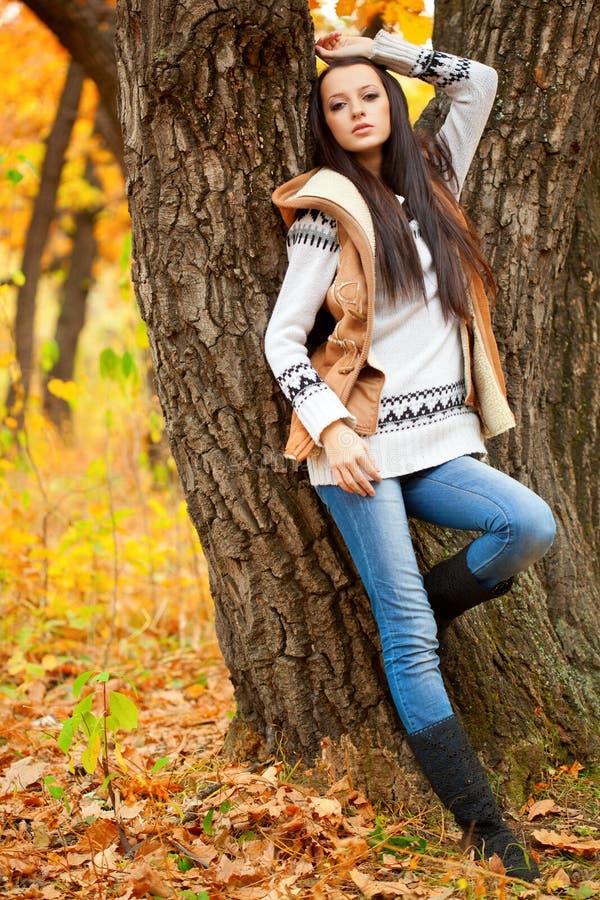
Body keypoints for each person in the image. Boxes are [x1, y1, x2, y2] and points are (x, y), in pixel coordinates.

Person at [264, 27, 556, 881]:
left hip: (438, 440)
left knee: (528, 524)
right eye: (336, 102)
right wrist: (333, 425)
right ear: (323, 123)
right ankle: (486, 826)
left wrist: (374, 46)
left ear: (390, 100)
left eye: (367, 95)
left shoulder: (435, 175)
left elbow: (482, 82)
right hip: (357, 455)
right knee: (410, 642)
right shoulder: (326, 214)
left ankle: (421, 615)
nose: (355, 110)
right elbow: (283, 339)